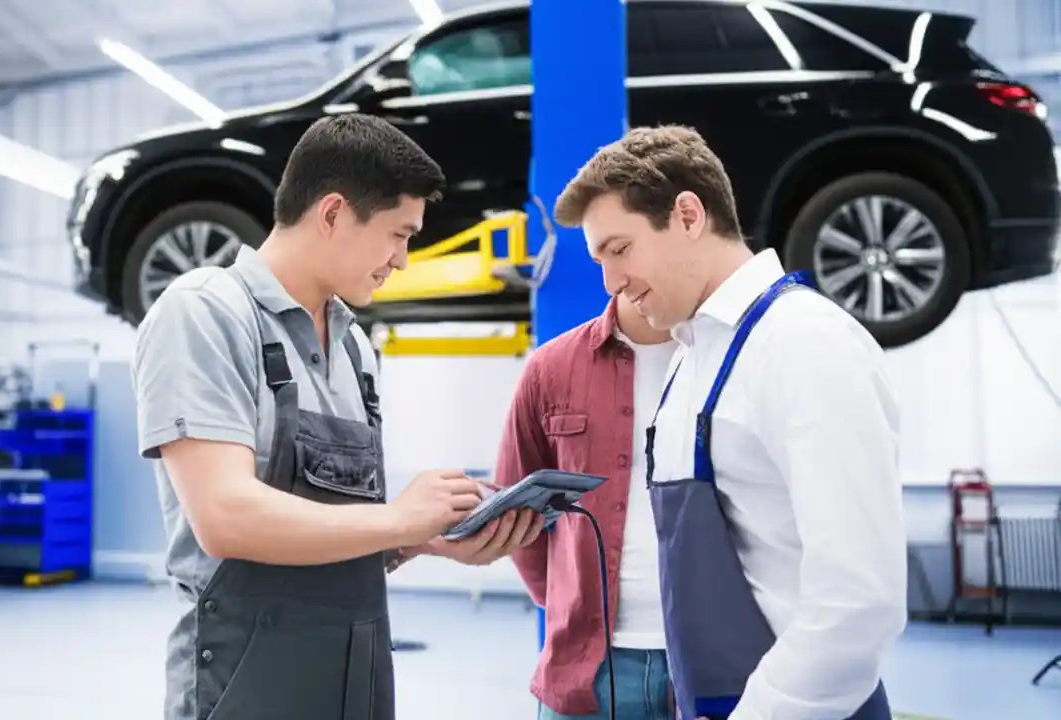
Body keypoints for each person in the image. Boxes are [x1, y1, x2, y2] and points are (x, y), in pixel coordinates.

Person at [131, 113, 543, 720]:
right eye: (398, 234)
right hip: (247, 686)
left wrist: (426, 538)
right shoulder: (204, 314)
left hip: (357, 679)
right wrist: (398, 518)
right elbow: (226, 518)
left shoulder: (355, 348)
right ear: (332, 213)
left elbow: (338, 531)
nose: (403, 260)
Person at [552, 125, 907, 720]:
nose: (611, 283)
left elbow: (857, 601)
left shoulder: (804, 345)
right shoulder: (694, 357)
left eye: (619, 250)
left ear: (688, 215)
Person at [496, 293, 677, 720]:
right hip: (584, 671)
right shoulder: (552, 368)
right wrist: (568, 600)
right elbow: (516, 507)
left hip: (711, 666)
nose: (613, 277)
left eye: (623, 248)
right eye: (602, 256)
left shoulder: (729, 362)